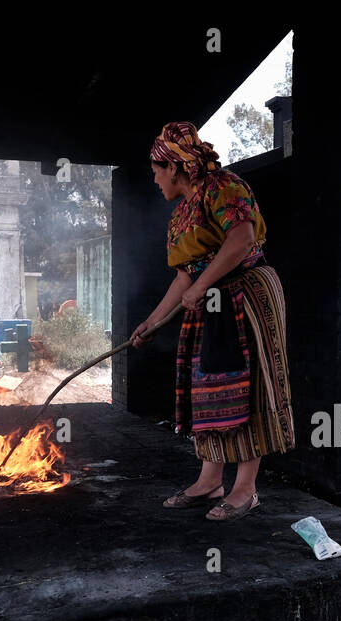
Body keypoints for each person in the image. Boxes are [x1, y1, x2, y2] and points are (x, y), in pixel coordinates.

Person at [130, 121, 295, 520]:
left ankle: (246, 489)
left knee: (247, 386)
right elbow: (184, 276)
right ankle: (210, 481)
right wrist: (151, 322)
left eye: (156, 170)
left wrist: (201, 286)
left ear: (174, 166)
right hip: (211, 302)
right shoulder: (181, 214)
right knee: (210, 388)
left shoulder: (223, 186)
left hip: (247, 295)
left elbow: (241, 240)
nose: (154, 179)